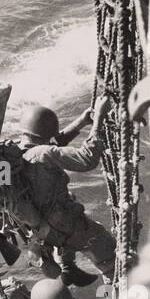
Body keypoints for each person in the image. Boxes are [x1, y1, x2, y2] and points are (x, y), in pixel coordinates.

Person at [17, 100, 116, 284]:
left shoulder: (17, 153)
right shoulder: (44, 154)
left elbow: (53, 145)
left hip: (41, 227)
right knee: (107, 249)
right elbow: (87, 159)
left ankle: (67, 269)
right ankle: (117, 285)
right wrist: (99, 120)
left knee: (66, 230)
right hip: (62, 225)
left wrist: (81, 122)